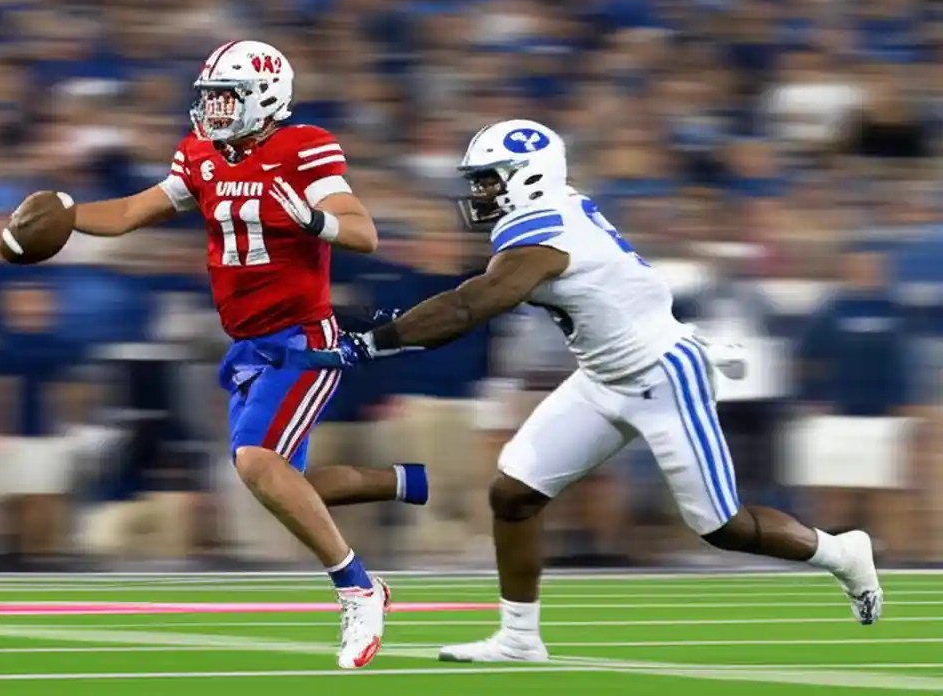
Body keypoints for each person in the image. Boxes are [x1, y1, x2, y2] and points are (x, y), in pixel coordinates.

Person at [275, 119, 883, 662]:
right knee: (514, 493)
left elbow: (470, 306)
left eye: (489, 180)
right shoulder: (548, 213)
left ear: (528, 178)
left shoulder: (543, 233)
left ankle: (841, 554)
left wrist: (373, 342)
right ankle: (519, 637)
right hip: (602, 375)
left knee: (721, 526)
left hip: (662, 376)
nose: (479, 193)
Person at [12, 40, 430, 669]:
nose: (211, 109)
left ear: (265, 97)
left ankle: (359, 589)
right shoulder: (201, 154)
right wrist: (69, 217)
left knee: (258, 462)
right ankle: (404, 481)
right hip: (248, 344)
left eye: (225, 96)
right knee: (280, 483)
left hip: (303, 339)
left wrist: (316, 223)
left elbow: (364, 232)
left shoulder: (302, 146)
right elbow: (129, 212)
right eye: (208, 96)